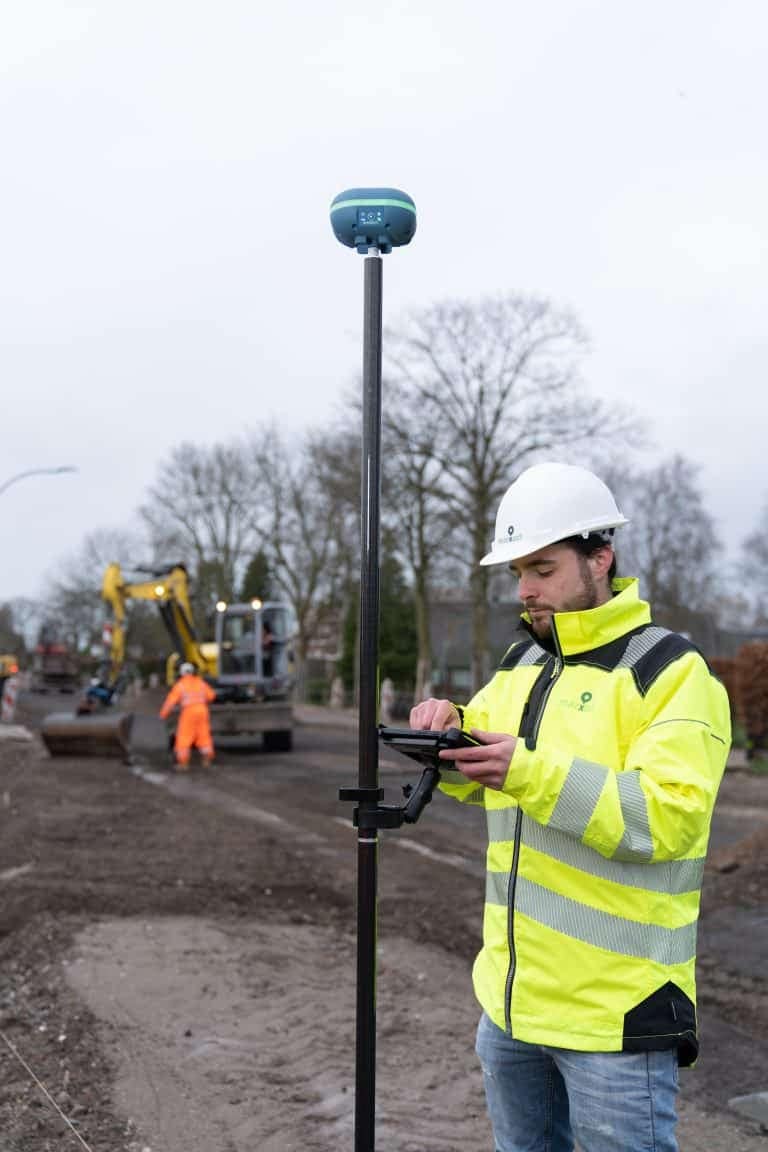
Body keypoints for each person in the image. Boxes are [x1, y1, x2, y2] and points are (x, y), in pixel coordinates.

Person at [410, 461, 731, 1152]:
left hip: (615, 1020)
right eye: (518, 573)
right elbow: (482, 772)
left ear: (600, 557)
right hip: (512, 1010)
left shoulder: (671, 674)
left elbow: (665, 819)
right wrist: (446, 731)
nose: (526, 590)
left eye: (544, 568)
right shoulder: (524, 664)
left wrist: (526, 770)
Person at [159, 661, 216, 771]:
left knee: (184, 736)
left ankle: (183, 762)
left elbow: (170, 702)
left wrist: (162, 715)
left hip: (189, 712)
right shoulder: (200, 683)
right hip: (202, 710)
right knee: (203, 734)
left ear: (181, 673)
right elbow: (211, 696)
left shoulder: (180, 685)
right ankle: (207, 759)